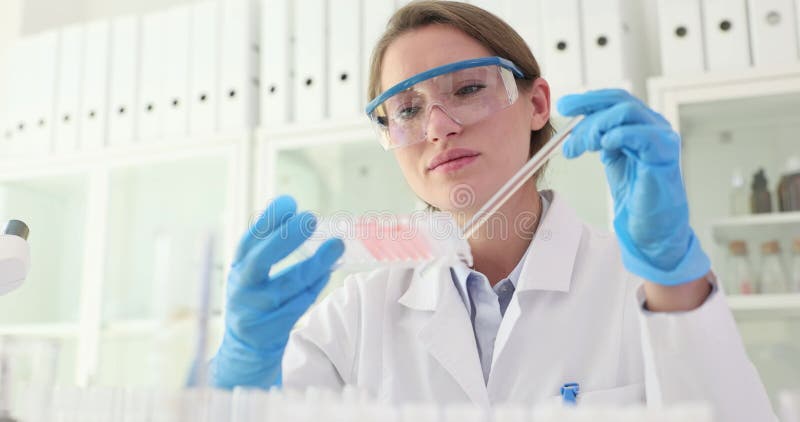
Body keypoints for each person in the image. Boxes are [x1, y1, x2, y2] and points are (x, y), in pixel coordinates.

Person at [210, 2, 776, 420]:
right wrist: (243, 375)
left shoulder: (641, 288)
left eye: (467, 89)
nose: (438, 126)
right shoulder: (354, 318)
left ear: (537, 104)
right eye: (407, 108)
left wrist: (673, 277)